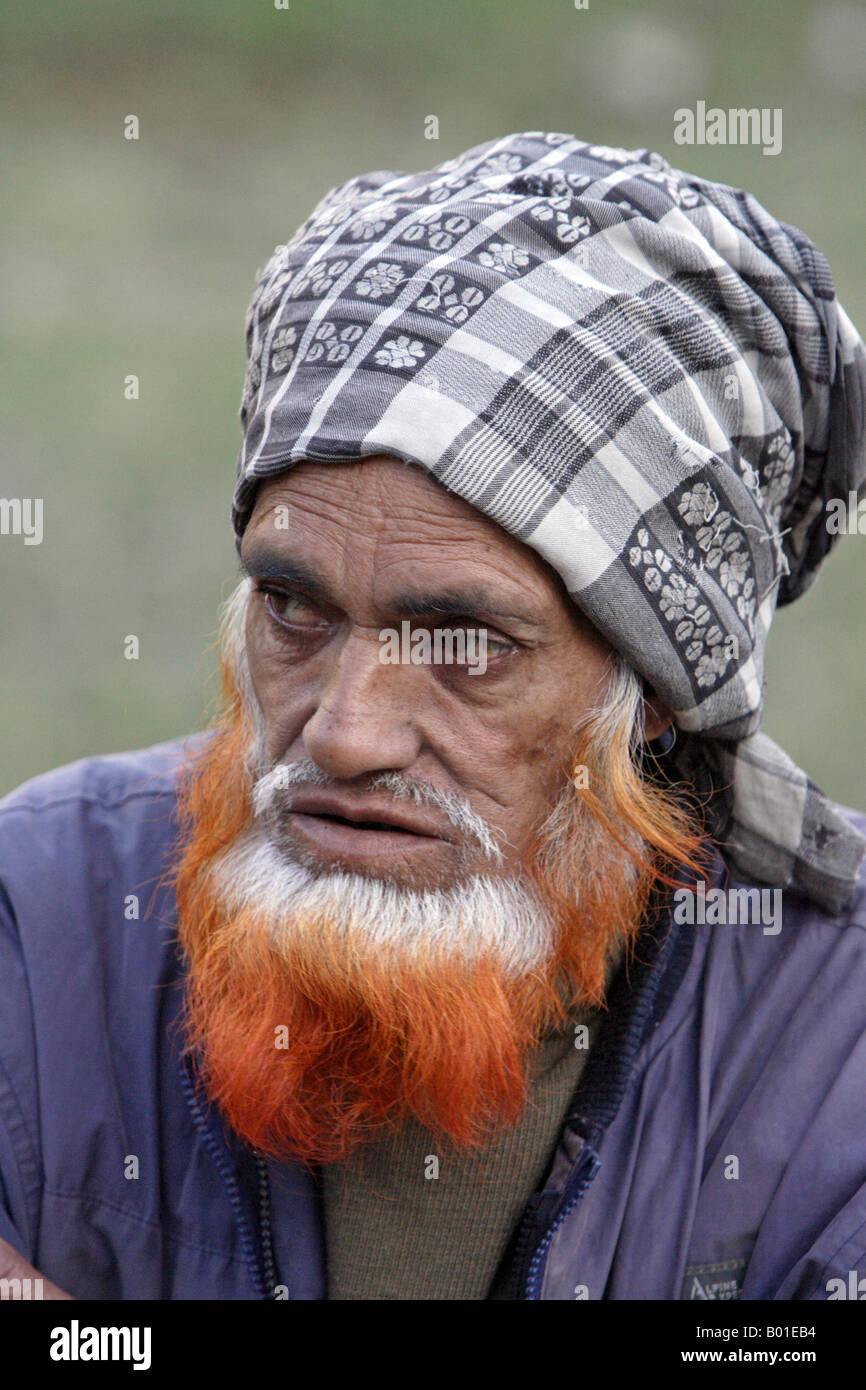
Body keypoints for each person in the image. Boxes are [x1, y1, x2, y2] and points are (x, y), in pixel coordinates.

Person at [2, 131, 865, 1302]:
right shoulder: (43, 916)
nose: (346, 733)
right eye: (294, 607)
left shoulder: (835, 1044)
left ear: (657, 695)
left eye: (463, 646)